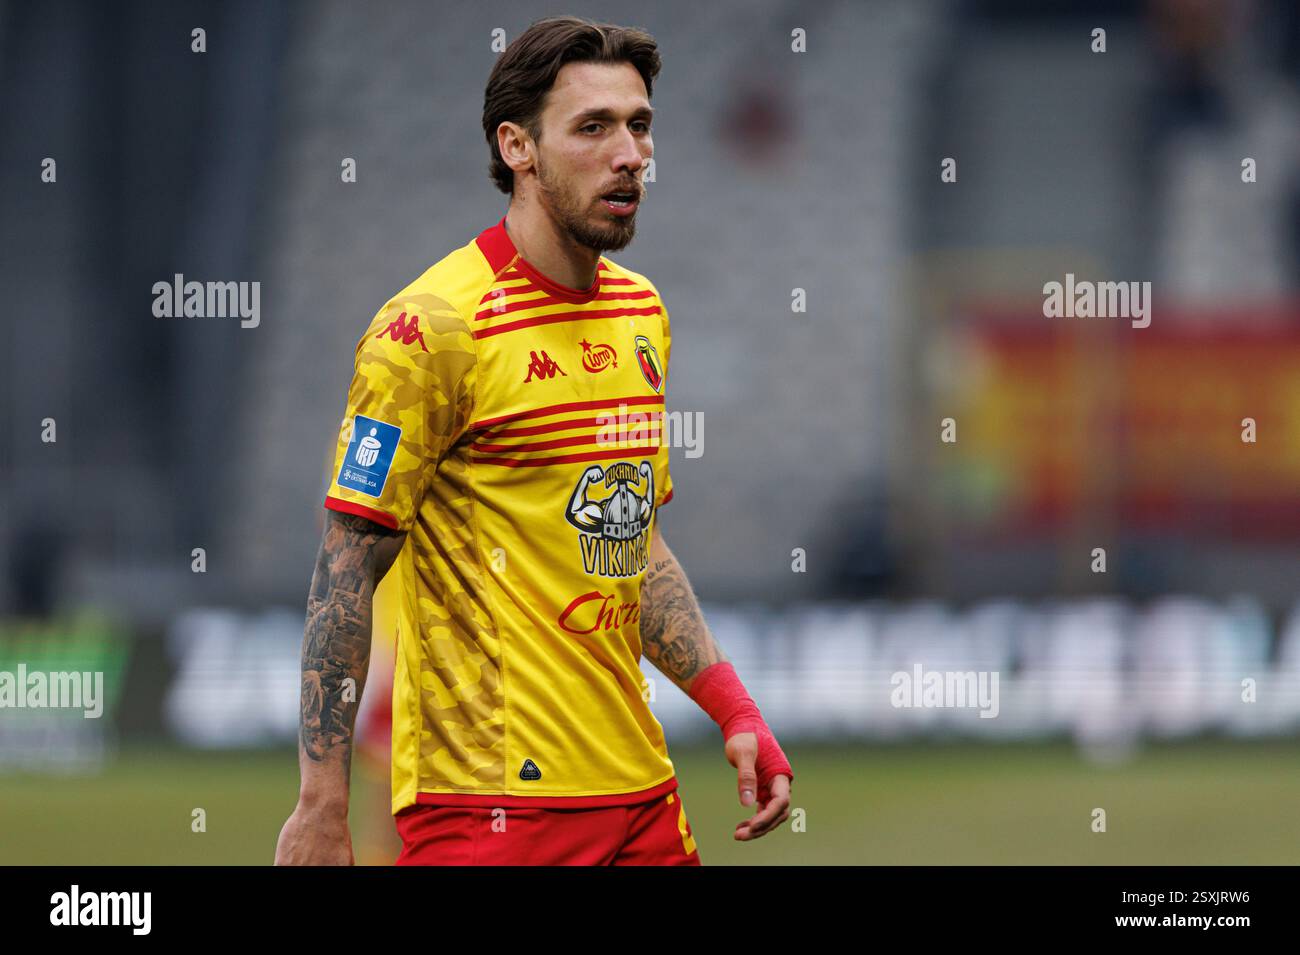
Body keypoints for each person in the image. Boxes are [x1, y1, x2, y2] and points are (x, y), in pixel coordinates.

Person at [274, 15, 791, 866]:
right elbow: (345, 569)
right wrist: (322, 803)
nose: (629, 153)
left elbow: (633, 544)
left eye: (640, 124)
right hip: (490, 809)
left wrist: (734, 707)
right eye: (593, 127)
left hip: (642, 795)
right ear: (517, 146)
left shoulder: (641, 314)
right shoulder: (429, 330)